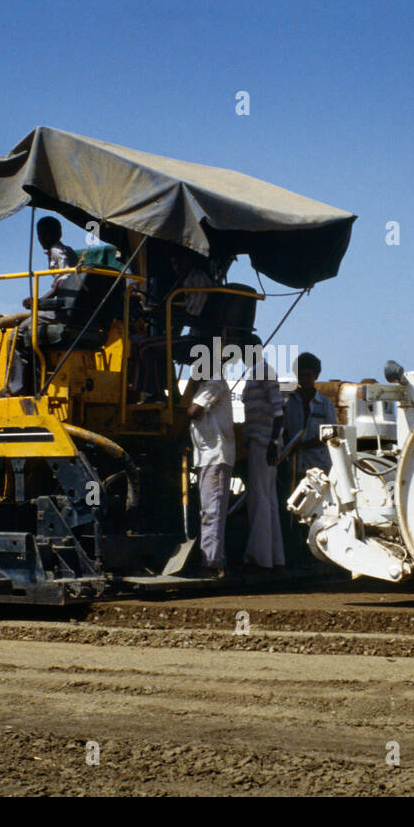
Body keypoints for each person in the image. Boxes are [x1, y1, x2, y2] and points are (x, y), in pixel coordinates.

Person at [0, 216, 81, 396]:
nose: (41, 239)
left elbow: (63, 283)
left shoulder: (57, 251)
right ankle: (32, 383)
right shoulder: (66, 251)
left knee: (16, 335)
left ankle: (15, 389)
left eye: (43, 234)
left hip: (64, 311)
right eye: (40, 235)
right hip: (71, 308)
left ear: (54, 234)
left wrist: (39, 303)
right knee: (31, 335)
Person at [131, 247, 215, 401]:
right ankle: (172, 394)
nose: (176, 268)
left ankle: (157, 394)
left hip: (199, 340)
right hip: (197, 338)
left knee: (145, 346)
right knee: (157, 345)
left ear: (189, 260)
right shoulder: (188, 280)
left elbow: (194, 315)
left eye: (179, 263)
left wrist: (164, 313)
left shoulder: (197, 279)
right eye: (174, 264)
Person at [186, 370, 235, 578]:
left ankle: (212, 563)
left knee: (212, 511)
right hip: (207, 457)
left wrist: (183, 401)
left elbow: (193, 411)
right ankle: (214, 560)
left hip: (216, 457)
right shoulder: (205, 386)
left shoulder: (214, 384)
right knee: (209, 511)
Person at [241, 345, 285, 570]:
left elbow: (279, 412)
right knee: (268, 499)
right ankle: (274, 557)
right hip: (265, 442)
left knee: (259, 499)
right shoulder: (259, 371)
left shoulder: (263, 372)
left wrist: (272, 443)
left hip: (262, 442)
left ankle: (260, 558)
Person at [282, 352, 336, 477]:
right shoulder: (289, 403)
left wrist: (302, 446)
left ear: (316, 376)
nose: (304, 380)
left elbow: (331, 434)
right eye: (301, 376)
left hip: (319, 468)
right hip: (293, 467)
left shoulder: (326, 404)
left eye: (308, 376)